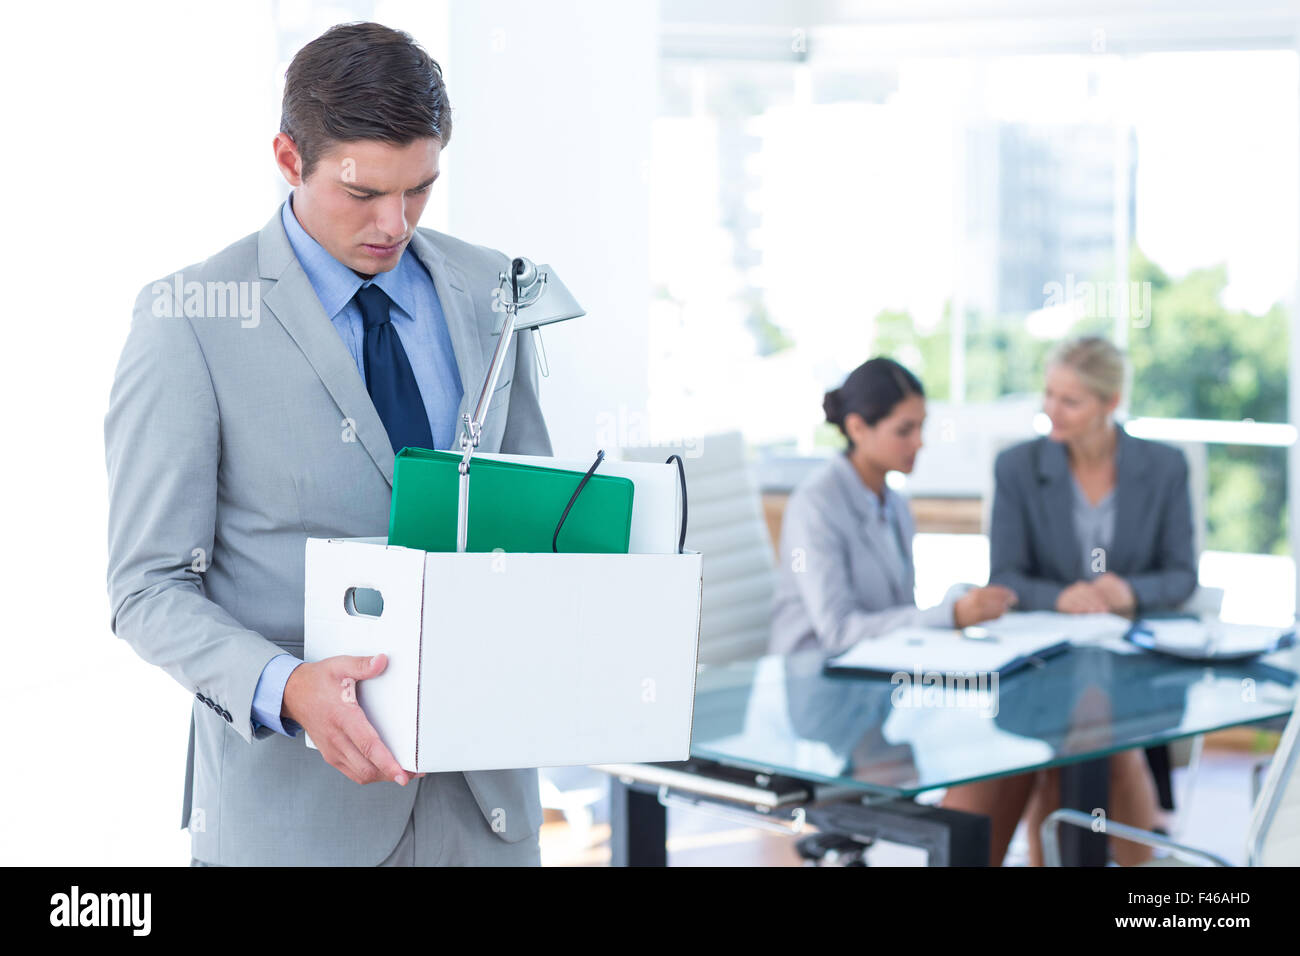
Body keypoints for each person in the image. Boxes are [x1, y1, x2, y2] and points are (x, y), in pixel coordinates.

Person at [104, 23, 550, 866]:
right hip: (298, 825)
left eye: (420, 189)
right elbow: (147, 587)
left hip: (486, 810)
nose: (396, 223)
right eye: (364, 193)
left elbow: (535, 518)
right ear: (286, 157)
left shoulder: (495, 288)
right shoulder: (191, 320)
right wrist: (287, 687)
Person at [942, 335, 1197, 864]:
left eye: (1070, 400)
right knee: (1070, 751)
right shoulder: (1017, 467)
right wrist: (1061, 597)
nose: (1050, 410)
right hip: (1043, 660)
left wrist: (1129, 590)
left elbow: (1182, 575)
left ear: (1110, 402)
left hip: (1132, 662)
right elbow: (1005, 575)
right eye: (1048, 394)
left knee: (1101, 748)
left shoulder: (1165, 467)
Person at [770, 357, 1017, 656]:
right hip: (817, 677)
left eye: (921, 427)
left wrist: (957, 603)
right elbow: (838, 632)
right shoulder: (815, 505)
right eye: (904, 431)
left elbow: (899, 612)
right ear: (857, 428)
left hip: (876, 673)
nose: (919, 443)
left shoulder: (895, 502)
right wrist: (949, 615)